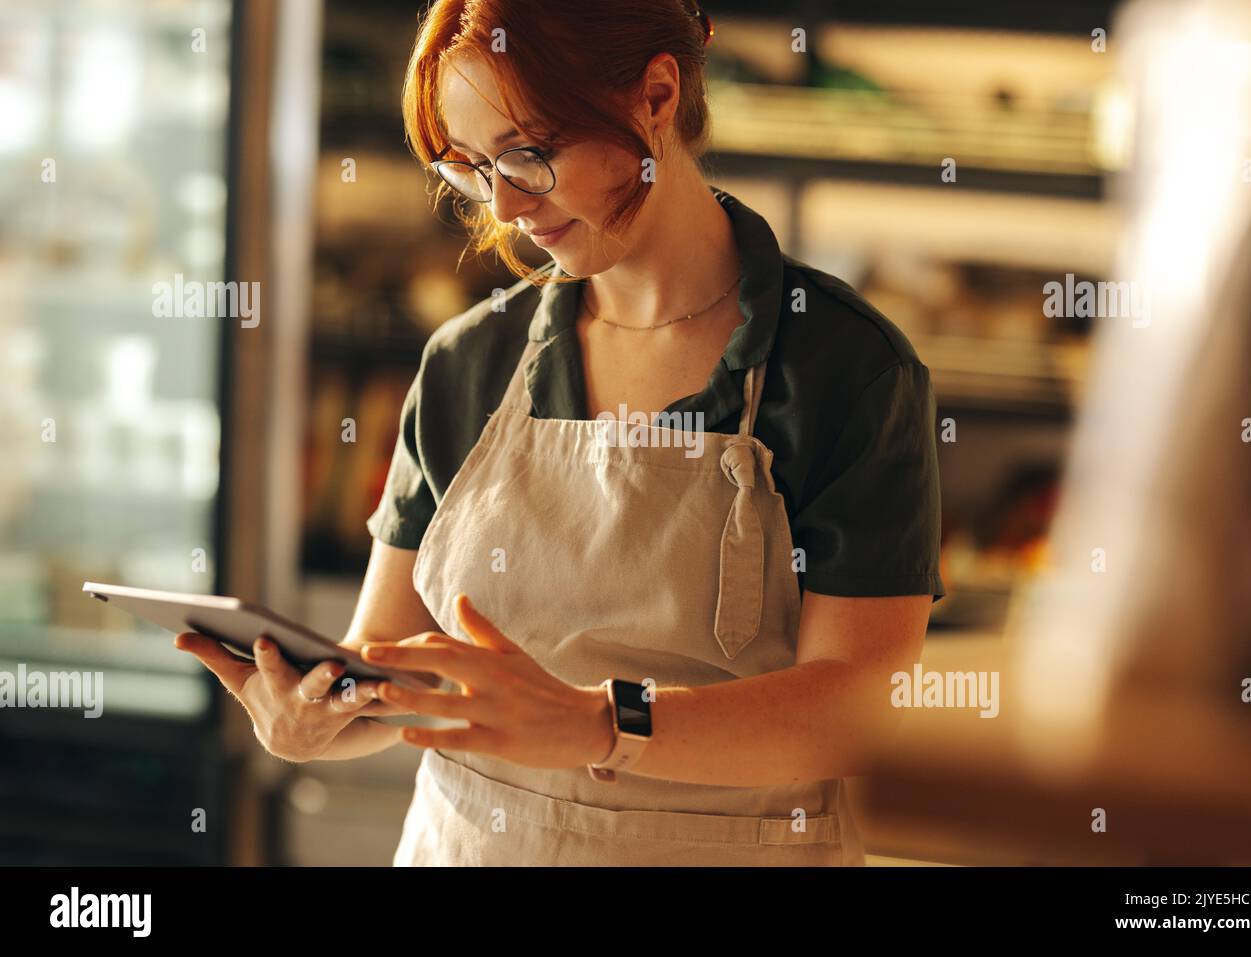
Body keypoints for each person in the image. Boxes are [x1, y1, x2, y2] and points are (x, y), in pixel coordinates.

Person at [177, 0, 945, 866]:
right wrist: (316, 718)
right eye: (471, 167)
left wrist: (598, 723)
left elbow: (853, 711)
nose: (503, 207)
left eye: (529, 156)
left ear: (657, 93)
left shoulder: (848, 368)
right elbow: (386, 669)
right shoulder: (469, 363)